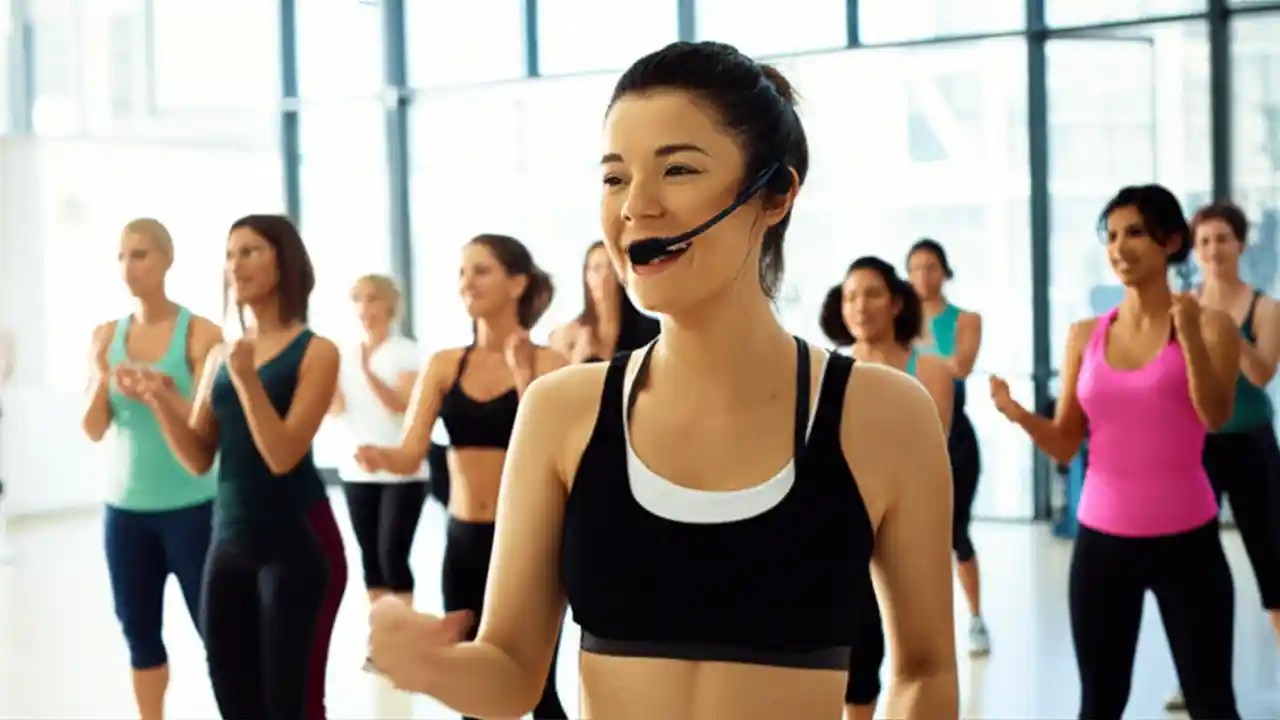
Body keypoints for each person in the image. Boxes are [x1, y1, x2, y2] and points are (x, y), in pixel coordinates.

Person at [367, 40, 958, 720]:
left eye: (677, 169)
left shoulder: (881, 415)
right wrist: (428, 665)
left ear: (776, 192)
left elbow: (926, 671)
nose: (635, 206)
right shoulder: (563, 410)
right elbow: (510, 672)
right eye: (615, 178)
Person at [990, 184, 1241, 720]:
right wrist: (1017, 414)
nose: (1119, 248)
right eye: (1111, 236)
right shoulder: (1084, 335)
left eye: (1135, 234)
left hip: (1189, 543)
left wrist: (1189, 332)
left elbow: (1214, 416)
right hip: (1102, 547)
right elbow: (1064, 441)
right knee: (1099, 705)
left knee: (1212, 703)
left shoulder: (1212, 325)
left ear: (1171, 241)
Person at [138, 214, 346, 720]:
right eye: (231, 255)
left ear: (285, 260)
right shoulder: (219, 357)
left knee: (289, 705)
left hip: (296, 545)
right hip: (228, 542)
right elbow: (197, 456)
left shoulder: (316, 352)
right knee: (234, 701)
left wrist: (249, 380)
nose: (236, 264)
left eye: (250, 251)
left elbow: (283, 455)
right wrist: (161, 399)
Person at [356, 233, 569, 719]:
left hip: (527, 544)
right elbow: (411, 453)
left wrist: (521, 376)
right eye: (461, 271)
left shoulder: (550, 364)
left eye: (481, 270)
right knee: (473, 690)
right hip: (464, 540)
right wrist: (378, 457)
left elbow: (550, 447)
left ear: (517, 284)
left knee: (537, 688)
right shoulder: (444, 364)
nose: (466, 282)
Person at [78, 218, 222, 720]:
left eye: (140, 255)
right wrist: (105, 377)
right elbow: (94, 427)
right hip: (126, 512)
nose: (128, 266)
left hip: (193, 507)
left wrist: (164, 390)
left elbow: (209, 427)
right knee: (139, 634)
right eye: (121, 256)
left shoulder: (201, 334)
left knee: (218, 632)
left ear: (166, 260)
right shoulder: (105, 337)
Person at [819, 256, 953, 720]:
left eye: (872, 293)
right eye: (851, 294)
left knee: (916, 653)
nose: (860, 305)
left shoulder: (929, 371)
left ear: (896, 303)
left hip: (905, 522)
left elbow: (931, 462)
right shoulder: (827, 374)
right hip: (847, 524)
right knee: (857, 651)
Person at [1161, 201, 1280, 712]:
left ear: (1240, 245)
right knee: (1192, 572)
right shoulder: (1181, 304)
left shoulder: (1265, 307)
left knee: (1273, 566)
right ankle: (1196, 682)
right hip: (1197, 447)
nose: (1213, 250)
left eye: (1222, 239)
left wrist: (1229, 332)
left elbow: (1260, 375)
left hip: (1252, 444)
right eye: (1204, 240)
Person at [905, 237, 990, 656]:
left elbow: (961, 366)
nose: (924, 275)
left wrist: (916, 347)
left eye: (931, 266)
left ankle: (975, 619)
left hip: (955, 438)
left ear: (945, 271)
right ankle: (925, 627)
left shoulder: (965, 319)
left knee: (957, 532)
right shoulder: (896, 319)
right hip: (908, 438)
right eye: (916, 268)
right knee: (912, 538)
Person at [329, 274, 427, 608]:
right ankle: (381, 637)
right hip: (358, 471)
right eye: (358, 299)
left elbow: (404, 405)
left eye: (372, 298)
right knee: (370, 556)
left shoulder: (406, 352)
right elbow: (337, 408)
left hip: (402, 472)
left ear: (389, 304)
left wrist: (368, 373)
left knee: (392, 553)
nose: (365, 307)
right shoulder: (344, 354)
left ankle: (405, 632)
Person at [550, 240, 660, 363]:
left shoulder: (653, 332)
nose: (605, 276)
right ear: (586, 278)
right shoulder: (569, 336)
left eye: (611, 267)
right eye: (596, 269)